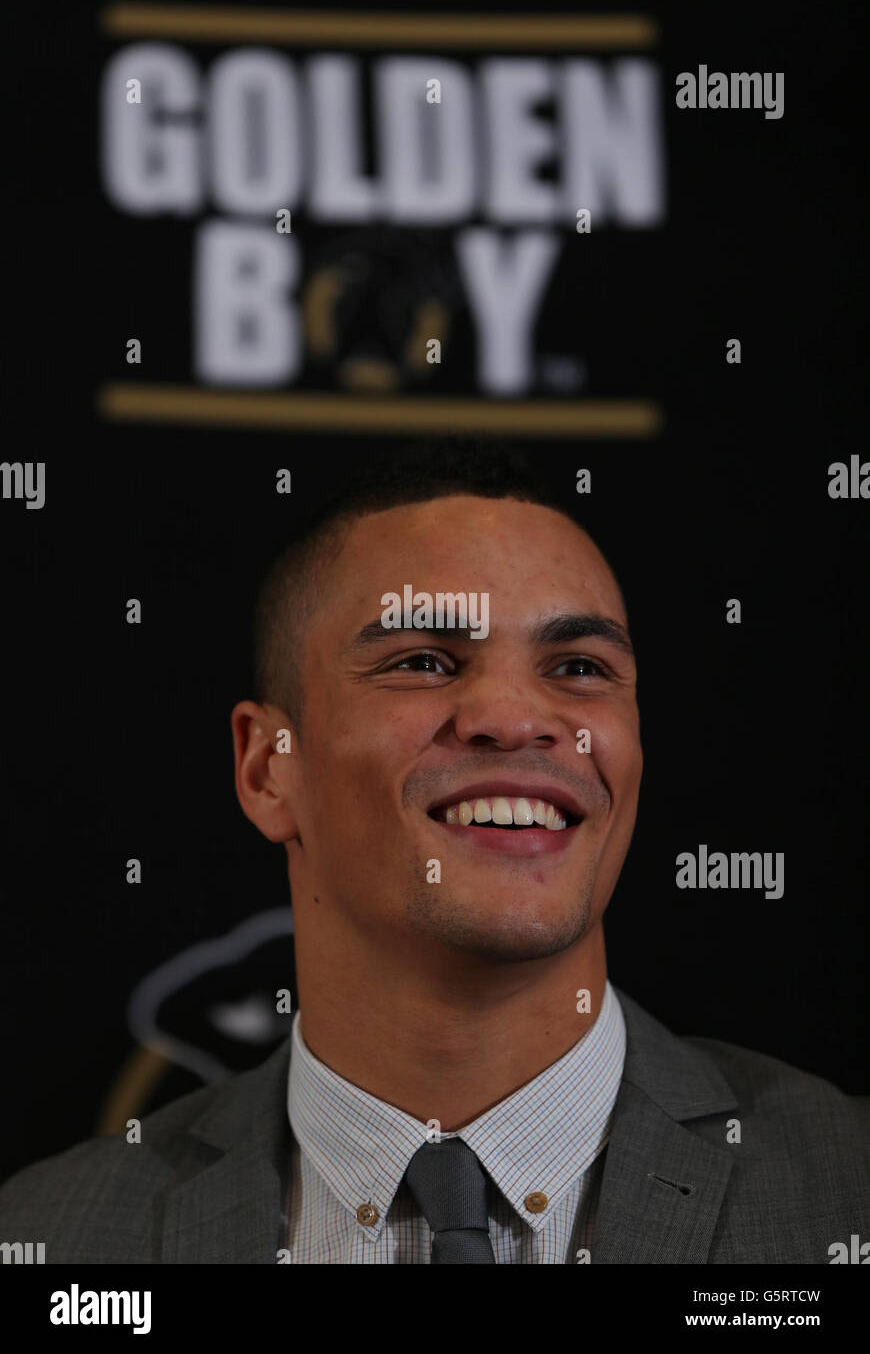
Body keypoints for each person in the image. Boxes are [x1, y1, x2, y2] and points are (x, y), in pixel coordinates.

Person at [1, 439, 867, 1264]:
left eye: (578, 668)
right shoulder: (53, 1238)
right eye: (423, 659)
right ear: (269, 770)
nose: (516, 717)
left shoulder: (846, 1193)